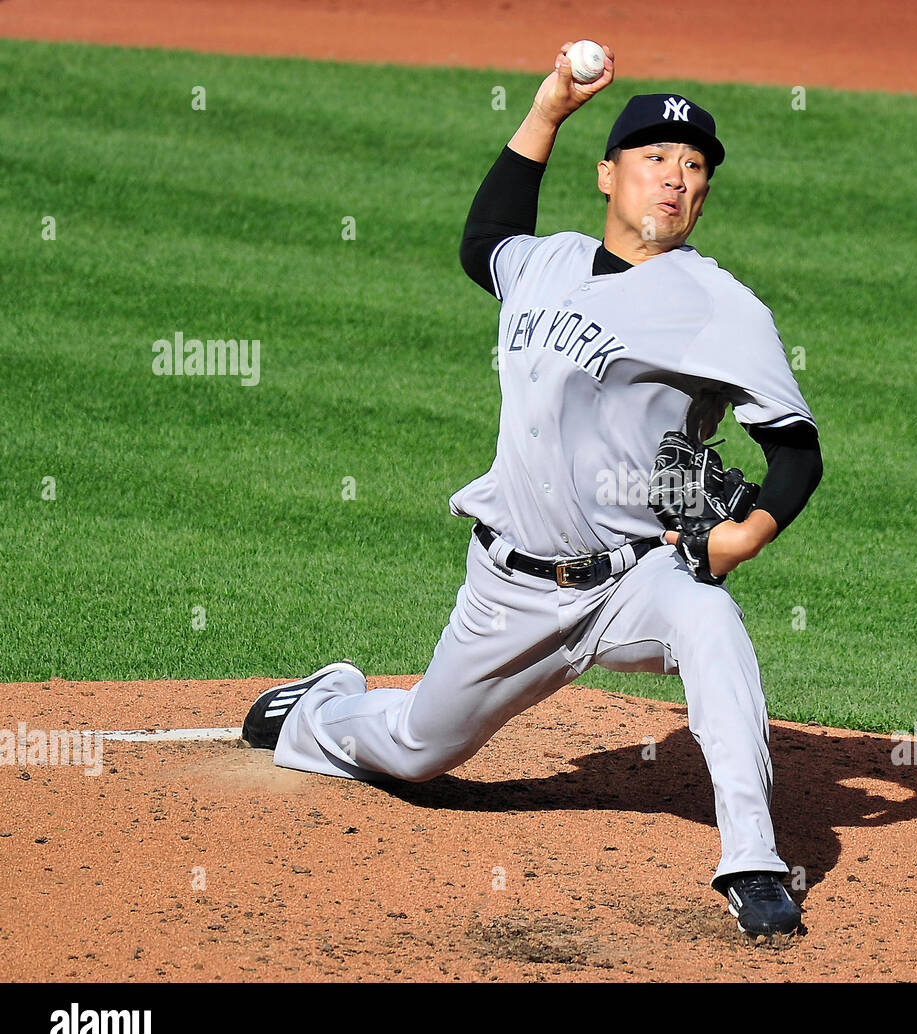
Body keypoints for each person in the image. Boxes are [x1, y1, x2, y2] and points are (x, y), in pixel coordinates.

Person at [243, 42, 823, 936]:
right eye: (654, 158)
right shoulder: (545, 263)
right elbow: (484, 243)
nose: (674, 179)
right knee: (416, 751)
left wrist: (747, 533)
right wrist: (548, 108)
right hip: (508, 587)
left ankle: (751, 859)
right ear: (609, 173)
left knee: (711, 623)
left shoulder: (724, 309)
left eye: (694, 166)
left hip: (636, 577)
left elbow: (796, 450)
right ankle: (319, 706)